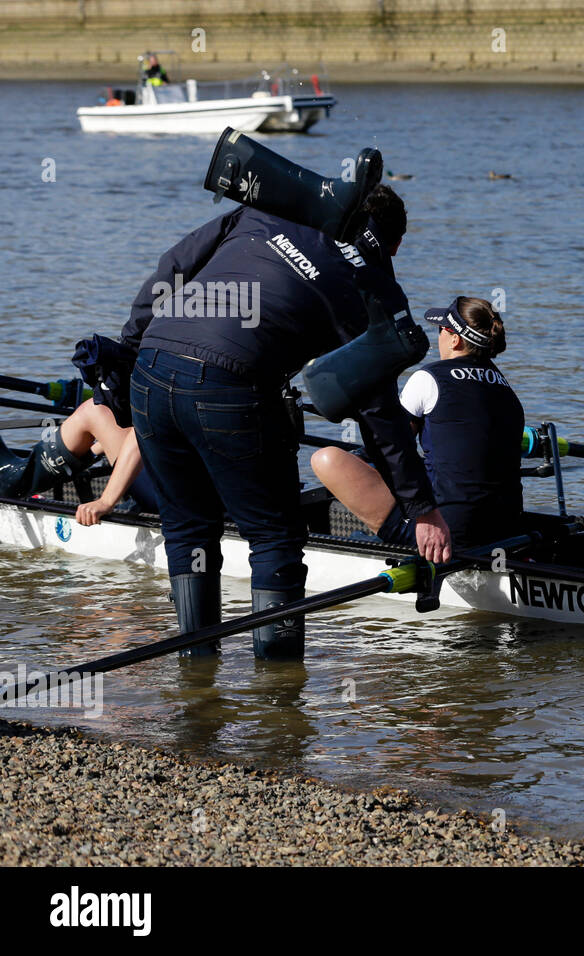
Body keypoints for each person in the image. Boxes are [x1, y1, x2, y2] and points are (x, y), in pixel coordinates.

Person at [121, 184, 450, 659]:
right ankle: (278, 692)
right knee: (275, 535)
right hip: (230, 388)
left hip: (150, 369)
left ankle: (197, 667)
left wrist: (128, 349)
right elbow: (378, 415)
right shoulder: (363, 286)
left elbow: (172, 266)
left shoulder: (268, 208)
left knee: (189, 529)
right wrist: (422, 510)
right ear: (393, 245)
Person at [310, 295, 524, 551]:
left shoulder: (429, 378)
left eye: (441, 330)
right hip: (507, 531)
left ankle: (389, 542)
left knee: (327, 459)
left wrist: (360, 457)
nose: (438, 338)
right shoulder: (508, 392)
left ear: (455, 339)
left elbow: (390, 448)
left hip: (447, 531)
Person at [0, 399, 158, 523]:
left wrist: (106, 501)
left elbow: (138, 435)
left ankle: (11, 480)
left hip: (169, 500)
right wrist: (90, 453)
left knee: (93, 410)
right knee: (106, 407)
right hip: (171, 485)